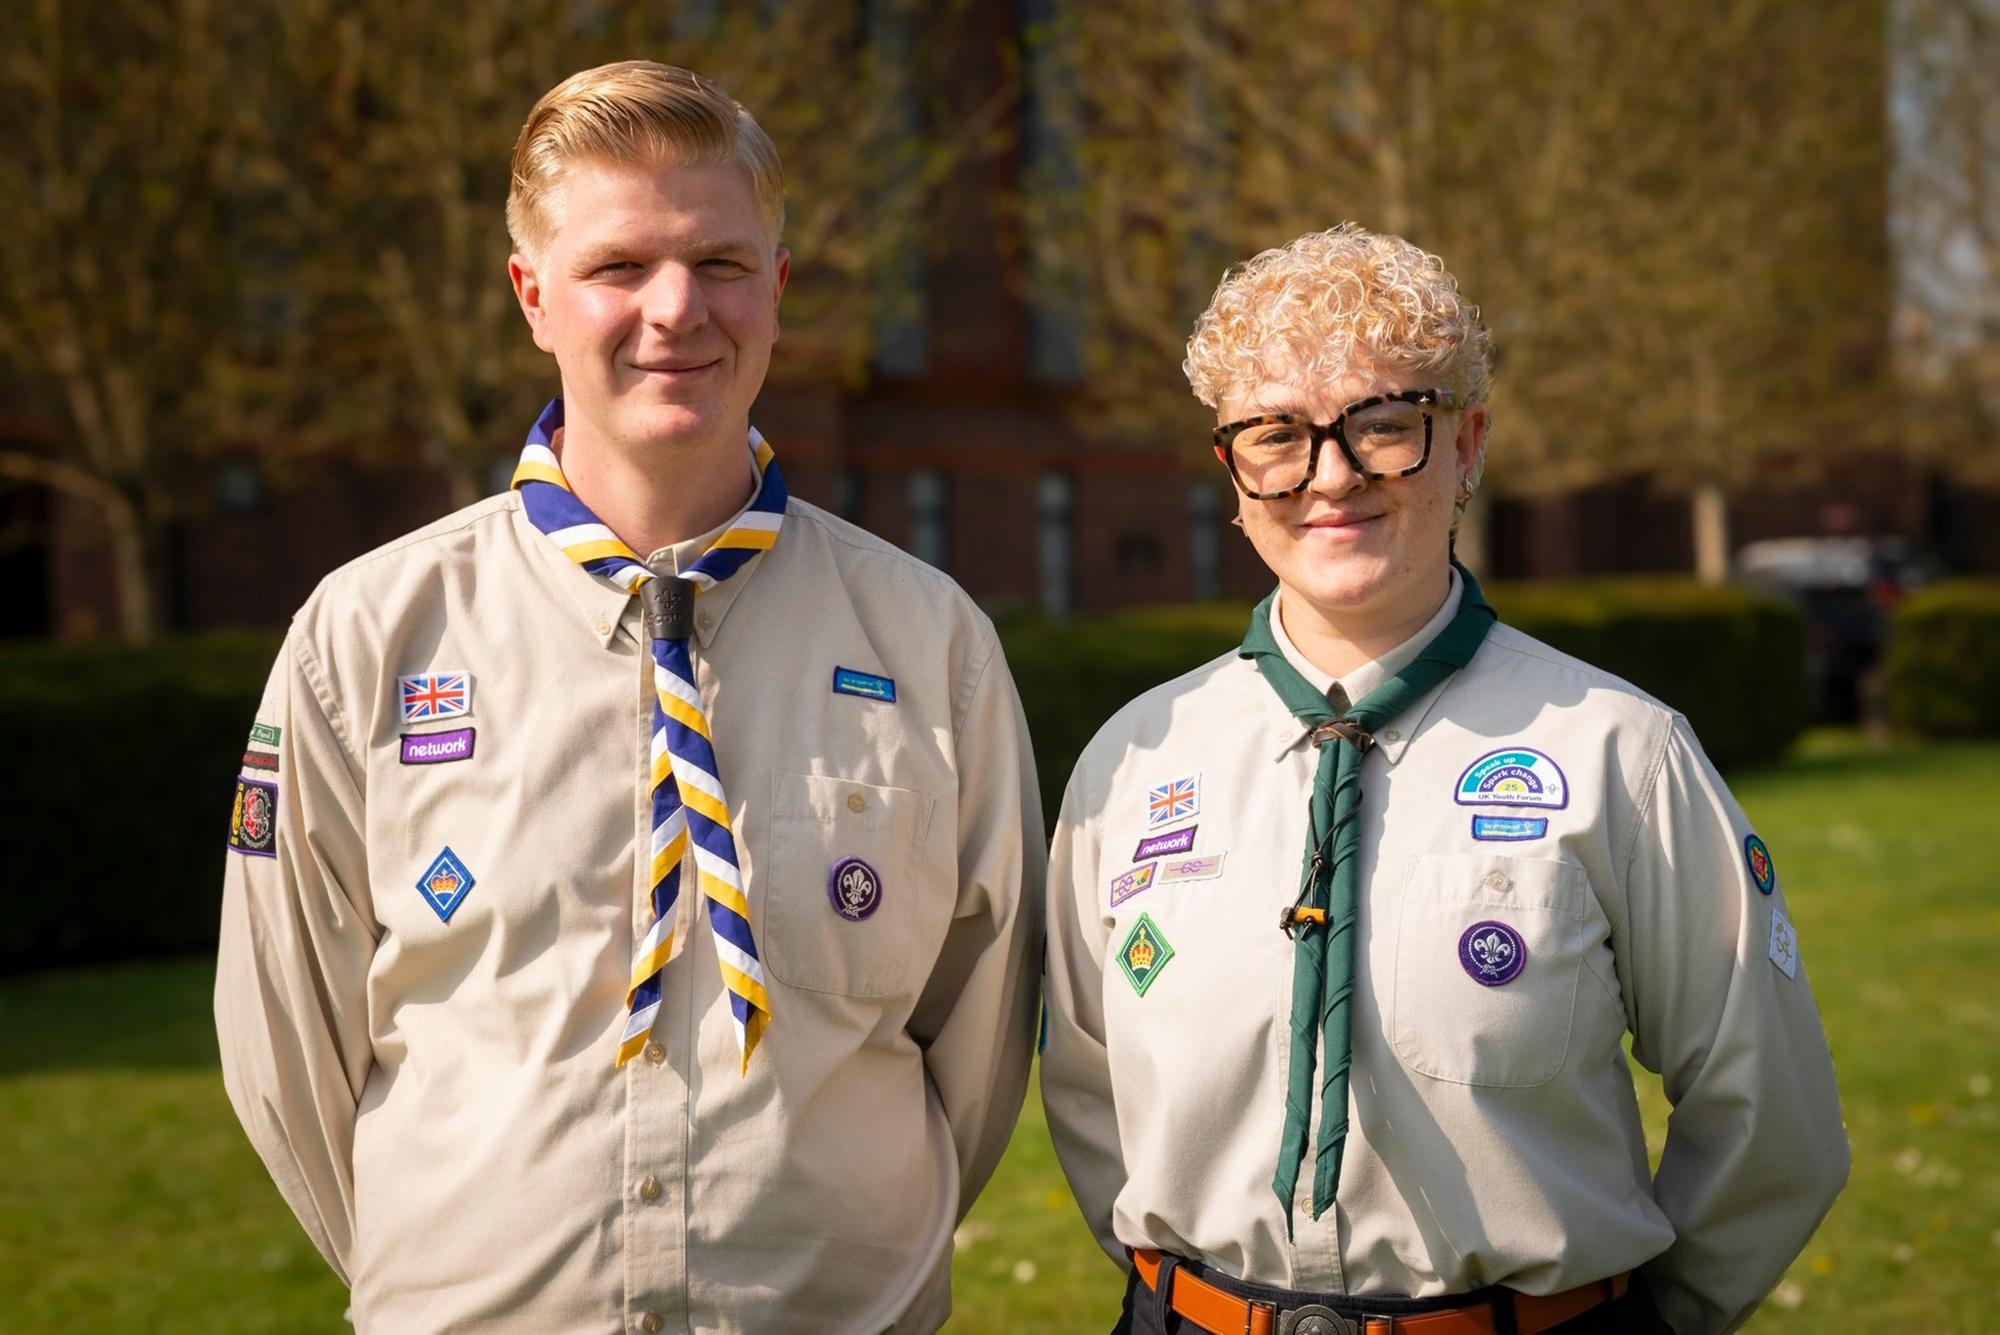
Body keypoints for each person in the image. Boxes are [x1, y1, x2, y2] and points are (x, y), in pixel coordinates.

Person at [216, 61, 1043, 1334]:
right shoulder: (367, 635)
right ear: (531, 295)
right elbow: (284, 1038)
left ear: (777, 288)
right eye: (618, 267)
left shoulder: (930, 642)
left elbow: (981, 1045)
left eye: (719, 262)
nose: (676, 310)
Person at [1041, 224, 1847, 1335]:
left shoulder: (1618, 752)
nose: (1330, 475)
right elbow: (1088, 1092)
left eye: (1382, 425)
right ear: (1229, 471)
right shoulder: (1132, 760)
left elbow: (1770, 1118)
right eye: (1276, 434)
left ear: (1465, 445)